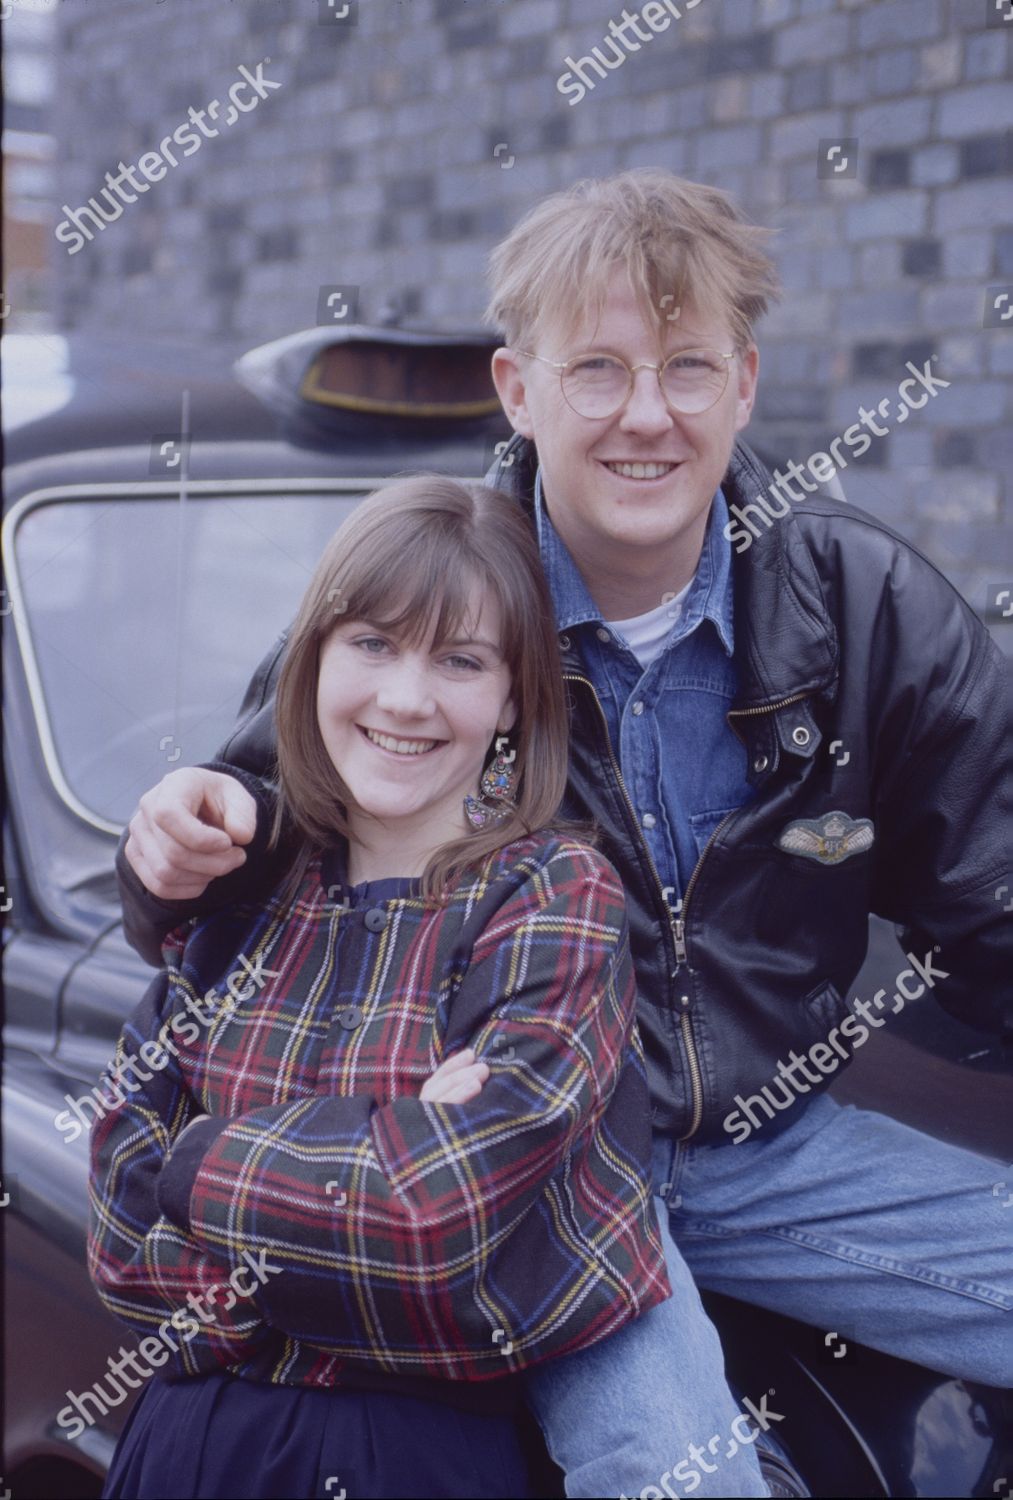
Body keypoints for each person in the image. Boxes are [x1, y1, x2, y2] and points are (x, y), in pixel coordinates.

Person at [115, 169, 1011, 1499]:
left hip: (784, 1152)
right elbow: (247, 825)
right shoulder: (440, 589)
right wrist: (182, 841)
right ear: (519, 389)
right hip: (542, 1171)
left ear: (745, 386)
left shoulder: (861, 599)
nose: (645, 415)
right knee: (684, 1478)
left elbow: (994, 900)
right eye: (596, 369)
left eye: (686, 370)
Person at [89, 475, 673, 1500]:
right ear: (311, 659)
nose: (405, 699)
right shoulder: (245, 886)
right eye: (370, 643)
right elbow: (119, 1239)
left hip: (416, 1464)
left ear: (512, 699)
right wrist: (382, 1145)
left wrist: (192, 1163)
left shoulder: (549, 899)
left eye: (458, 659)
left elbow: (436, 1244)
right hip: (183, 1454)